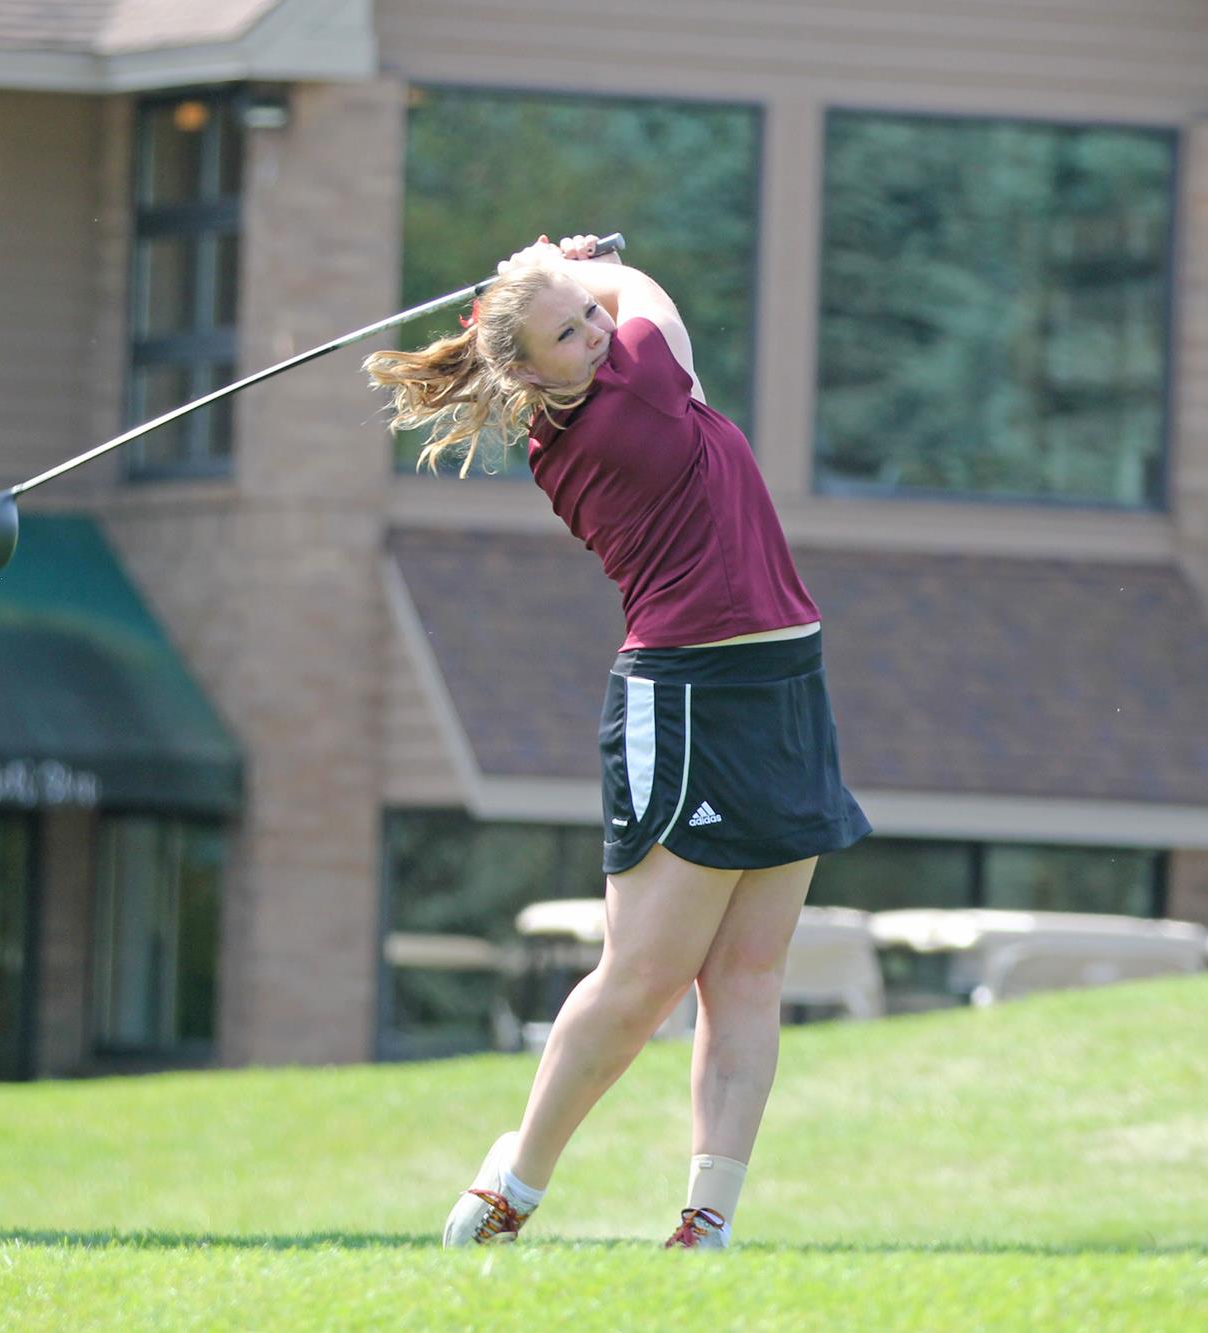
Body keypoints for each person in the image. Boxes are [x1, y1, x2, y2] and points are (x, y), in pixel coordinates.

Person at [363, 234, 870, 1250]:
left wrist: (553, 274)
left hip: (780, 685)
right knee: (643, 978)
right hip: (690, 698)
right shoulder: (622, 404)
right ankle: (513, 1183)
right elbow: (651, 295)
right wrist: (572, 260)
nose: (595, 330)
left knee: (748, 976)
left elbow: (619, 311)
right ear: (527, 373)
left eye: (590, 319)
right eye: (566, 330)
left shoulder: (615, 393)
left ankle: (705, 1220)